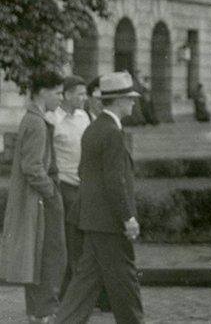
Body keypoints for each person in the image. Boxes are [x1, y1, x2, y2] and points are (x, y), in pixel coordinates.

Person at [56, 71, 144, 324]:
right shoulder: (112, 133)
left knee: (85, 283)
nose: (133, 103)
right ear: (118, 101)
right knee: (125, 281)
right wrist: (127, 217)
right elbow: (114, 182)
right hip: (109, 223)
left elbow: (85, 173)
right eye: (129, 98)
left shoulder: (93, 128)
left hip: (93, 219)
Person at [0, 71, 66, 324]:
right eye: (58, 92)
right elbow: (32, 167)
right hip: (41, 201)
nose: (60, 98)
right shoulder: (37, 123)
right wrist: (52, 193)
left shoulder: (32, 118)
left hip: (37, 199)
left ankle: (38, 313)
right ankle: (44, 313)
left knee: (37, 258)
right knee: (50, 257)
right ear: (43, 92)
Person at [48, 75, 92, 298]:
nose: (85, 98)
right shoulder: (53, 120)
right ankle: (69, 295)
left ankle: (81, 292)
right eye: (80, 94)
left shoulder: (84, 117)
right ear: (66, 95)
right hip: (65, 188)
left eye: (85, 94)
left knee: (84, 242)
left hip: (85, 186)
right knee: (69, 242)